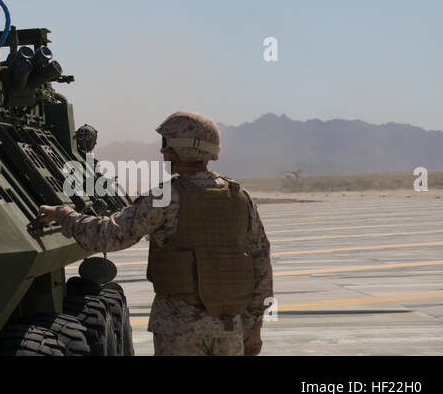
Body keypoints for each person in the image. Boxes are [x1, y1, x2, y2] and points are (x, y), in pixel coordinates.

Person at [37, 111, 273, 356]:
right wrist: (255, 324)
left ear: (182, 148)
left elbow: (109, 236)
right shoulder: (239, 197)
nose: (162, 152)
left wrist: (64, 215)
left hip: (179, 330)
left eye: (165, 145)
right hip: (229, 329)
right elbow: (261, 263)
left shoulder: (167, 197)